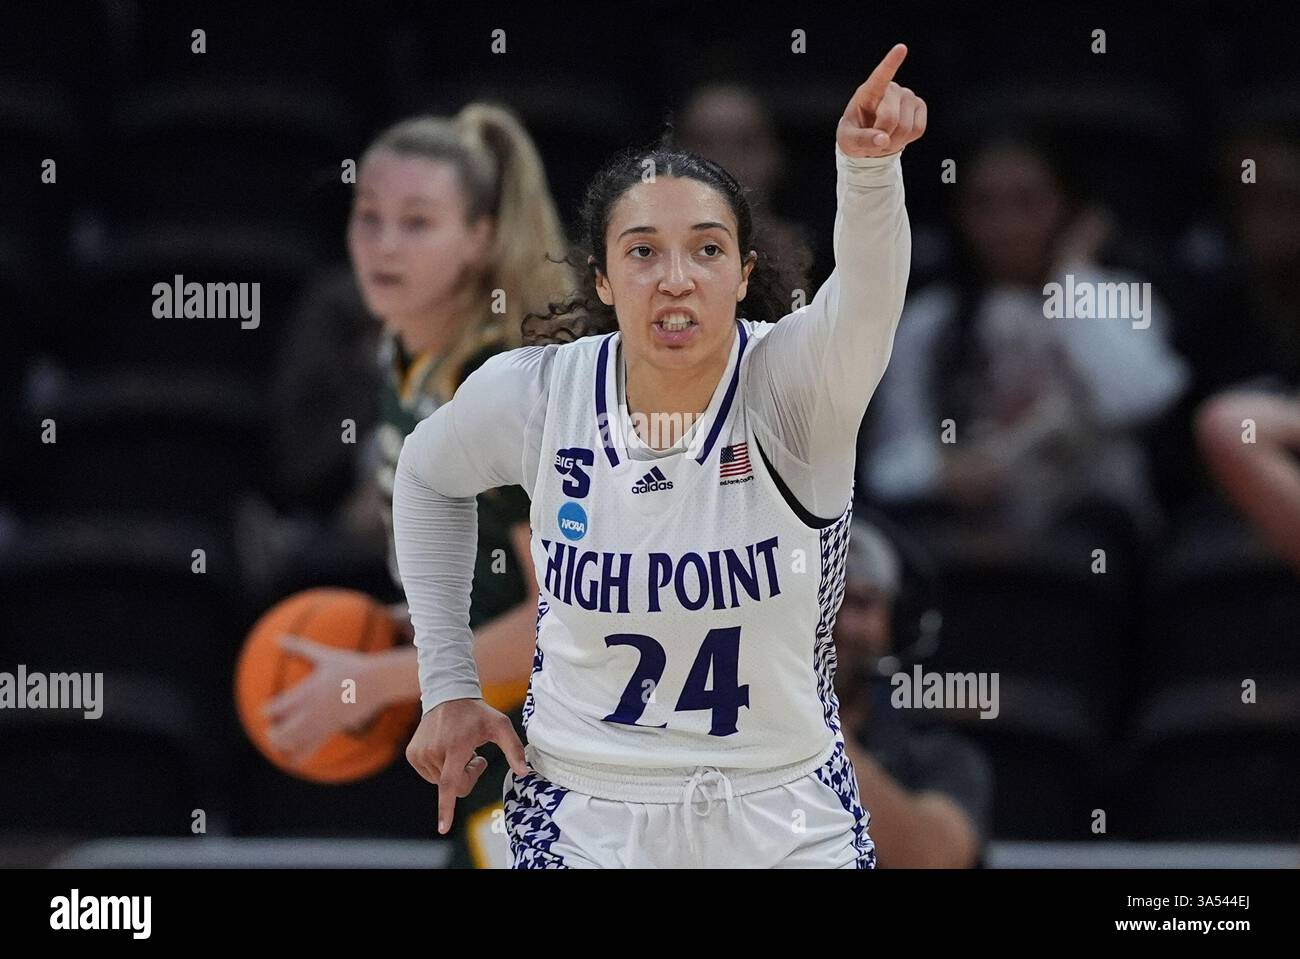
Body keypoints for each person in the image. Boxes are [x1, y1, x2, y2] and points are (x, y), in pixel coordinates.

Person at [394, 44, 925, 868]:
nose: (675, 277)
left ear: (743, 273)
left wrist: (867, 173)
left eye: (707, 249)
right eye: (642, 251)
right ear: (602, 278)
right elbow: (426, 476)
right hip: (589, 807)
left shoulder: (791, 389)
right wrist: (448, 686)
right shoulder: (540, 395)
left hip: (780, 807)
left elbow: (868, 303)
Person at [261, 103, 582, 867]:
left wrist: (374, 680)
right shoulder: (404, 364)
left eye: (417, 222)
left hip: (571, 774)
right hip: (491, 768)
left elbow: (574, 621)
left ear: (477, 239)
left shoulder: (496, 387)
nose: (383, 245)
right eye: (368, 218)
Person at [833, 518, 992, 867]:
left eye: (860, 602)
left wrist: (818, 728)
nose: (840, 625)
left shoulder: (941, 757)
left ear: (897, 623)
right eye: (825, 601)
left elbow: (933, 859)